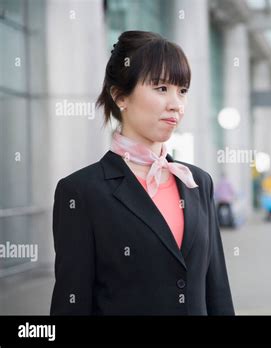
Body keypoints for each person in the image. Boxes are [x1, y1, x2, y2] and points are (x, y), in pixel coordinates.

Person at [50, 31, 234, 315]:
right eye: (161, 88)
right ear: (120, 96)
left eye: (182, 90)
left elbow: (218, 291)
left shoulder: (197, 182)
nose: (176, 104)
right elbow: (71, 303)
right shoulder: (81, 192)